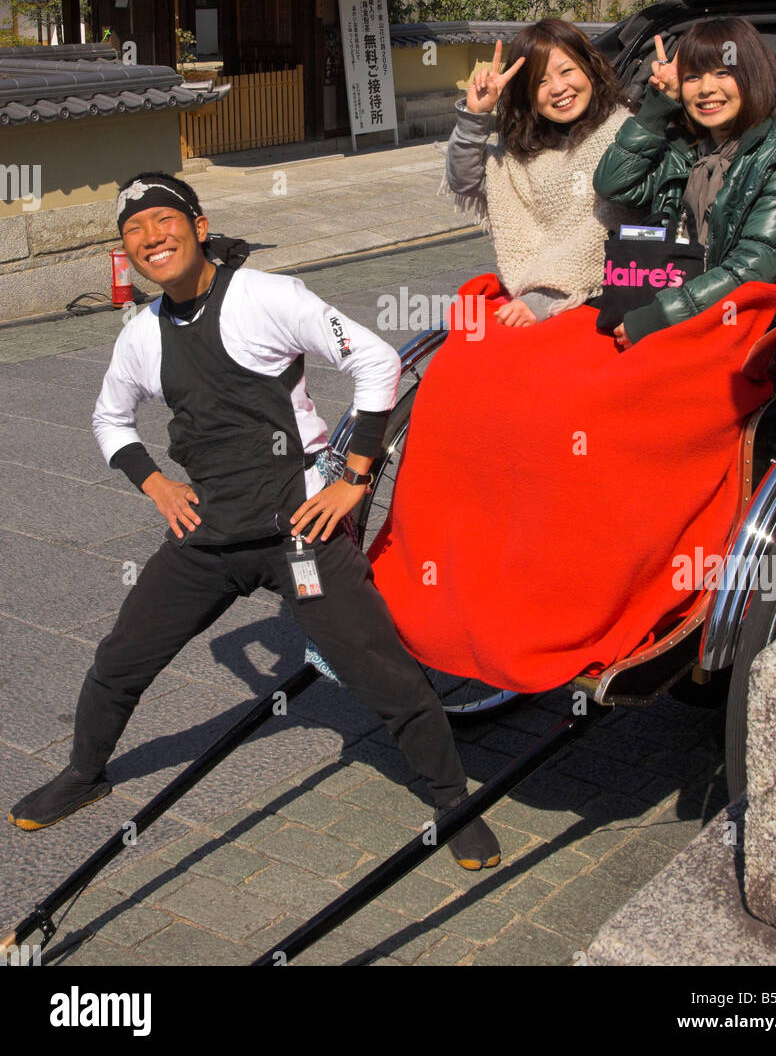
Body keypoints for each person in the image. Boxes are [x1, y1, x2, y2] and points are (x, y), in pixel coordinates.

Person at [8, 171, 500, 871]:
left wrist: (355, 477)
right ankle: (84, 774)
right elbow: (108, 418)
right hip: (208, 532)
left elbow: (377, 361)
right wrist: (154, 484)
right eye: (133, 231)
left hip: (297, 525)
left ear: (199, 226)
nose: (150, 239)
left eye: (163, 221)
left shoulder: (266, 296)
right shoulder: (142, 333)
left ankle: (454, 802)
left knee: (381, 672)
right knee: (120, 660)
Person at [593, 16, 776, 349]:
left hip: (751, 326)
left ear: (753, 76)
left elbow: (751, 269)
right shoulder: (689, 146)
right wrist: (655, 110)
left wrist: (659, 318)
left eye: (723, 73)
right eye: (693, 76)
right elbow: (613, 184)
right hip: (680, 300)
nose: (706, 89)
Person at [445, 20, 631, 326]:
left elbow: (607, 223)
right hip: (528, 293)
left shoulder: (625, 132)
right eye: (540, 82)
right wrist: (474, 116)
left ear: (590, 68)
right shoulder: (522, 150)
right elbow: (464, 180)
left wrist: (546, 297)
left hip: (605, 298)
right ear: (527, 95)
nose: (558, 89)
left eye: (566, 71)